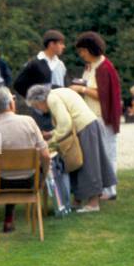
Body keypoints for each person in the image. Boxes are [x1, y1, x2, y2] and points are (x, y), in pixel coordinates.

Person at [27, 83, 115, 214]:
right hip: (87, 126)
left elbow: (65, 124)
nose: (38, 109)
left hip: (84, 128)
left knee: (90, 166)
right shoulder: (57, 93)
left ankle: (93, 203)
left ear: (40, 100)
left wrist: (50, 141)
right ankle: (78, 201)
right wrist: (51, 133)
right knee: (83, 164)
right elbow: (67, 120)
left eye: (36, 106)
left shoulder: (52, 99)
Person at [0, 87, 50, 232]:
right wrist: (43, 178)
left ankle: (6, 218)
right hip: (30, 180)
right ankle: (9, 218)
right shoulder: (28, 122)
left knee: (4, 172)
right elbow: (46, 155)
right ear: (10, 104)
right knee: (19, 169)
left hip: (2, 183)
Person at [70, 31, 122, 199]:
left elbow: (103, 95)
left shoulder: (104, 67)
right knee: (97, 154)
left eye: (83, 50)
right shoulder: (92, 67)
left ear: (91, 49)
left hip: (103, 117)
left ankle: (110, 190)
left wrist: (82, 89)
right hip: (92, 117)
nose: (82, 54)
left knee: (108, 152)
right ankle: (102, 188)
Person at [12, 29, 68, 100]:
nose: (63, 46)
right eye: (60, 43)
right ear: (51, 44)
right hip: (41, 108)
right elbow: (18, 84)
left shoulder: (61, 65)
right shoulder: (34, 63)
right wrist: (33, 101)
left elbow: (65, 86)